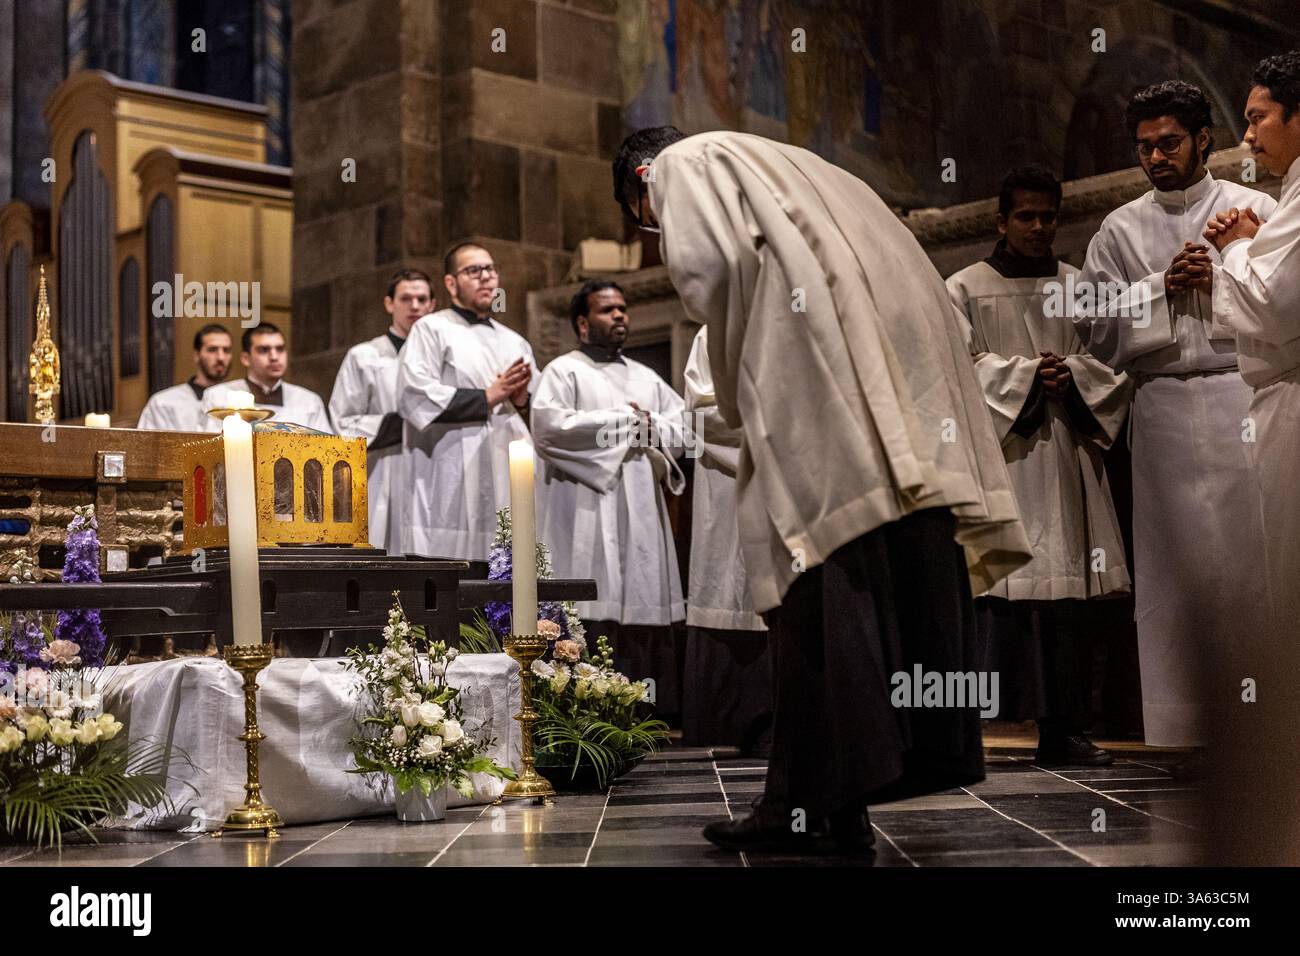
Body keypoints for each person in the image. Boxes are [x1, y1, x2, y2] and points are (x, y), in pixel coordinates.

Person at [613, 126, 1031, 855]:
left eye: (644, 215)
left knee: (819, 603)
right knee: (858, 596)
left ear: (644, 179)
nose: (654, 230)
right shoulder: (808, 167)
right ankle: (814, 803)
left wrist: (745, 388)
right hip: (891, 399)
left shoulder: (685, 162)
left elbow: (708, 272)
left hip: (822, 406)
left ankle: (816, 805)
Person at [1072, 80, 1277, 751]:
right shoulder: (1118, 229)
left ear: (1204, 141)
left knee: (1255, 566)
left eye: (1169, 143)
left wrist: (1216, 277)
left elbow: (1280, 299)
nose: (1156, 157)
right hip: (1159, 404)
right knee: (1171, 576)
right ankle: (1181, 730)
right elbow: (1095, 331)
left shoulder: (1254, 207)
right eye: (1145, 148)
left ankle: (1265, 728)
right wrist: (1159, 286)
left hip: (1240, 393)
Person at [948, 166, 1133, 767]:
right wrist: (1027, 377)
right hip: (1005, 458)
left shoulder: (1079, 284)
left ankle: (1064, 730)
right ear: (1000, 221)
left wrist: (1071, 375)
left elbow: (1112, 361)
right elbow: (954, 369)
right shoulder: (964, 288)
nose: (1038, 226)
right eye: (1024, 216)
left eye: (1048, 216)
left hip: (1066, 456)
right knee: (1000, 596)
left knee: (1068, 603)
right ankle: (970, 733)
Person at [532, 280, 689, 719]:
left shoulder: (646, 377)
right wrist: (627, 422)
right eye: (607, 310)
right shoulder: (563, 371)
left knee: (639, 590)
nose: (620, 316)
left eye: (622, 309)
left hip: (639, 505)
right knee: (591, 597)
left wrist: (648, 426)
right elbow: (549, 429)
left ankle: (646, 715)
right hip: (582, 505)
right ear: (583, 323)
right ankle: (585, 714)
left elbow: (682, 431)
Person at [395, 242, 538, 560]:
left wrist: (522, 399)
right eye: (474, 270)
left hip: (503, 476)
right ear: (450, 283)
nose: (486, 277)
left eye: (491, 269)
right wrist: (486, 397)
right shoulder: (432, 328)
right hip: (448, 480)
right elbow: (414, 393)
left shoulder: (515, 342)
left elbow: (539, 413)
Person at [680, 324, 772, 755]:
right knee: (733, 590)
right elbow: (702, 412)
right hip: (735, 483)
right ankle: (729, 729)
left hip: (805, 487)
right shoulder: (716, 328)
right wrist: (780, 428)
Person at [329, 268, 433, 550]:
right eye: (406, 298)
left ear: (432, 306)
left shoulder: (440, 361)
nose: (415, 306)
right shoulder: (364, 356)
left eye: (422, 299)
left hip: (432, 469)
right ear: (389, 304)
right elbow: (343, 421)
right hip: (385, 469)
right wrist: (401, 425)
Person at [201, 322, 332, 432]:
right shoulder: (217, 397)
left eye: (280, 349)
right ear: (246, 358)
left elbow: (328, 449)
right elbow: (205, 449)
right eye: (264, 350)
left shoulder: (309, 401)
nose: (274, 357)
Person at [136, 324, 232, 431]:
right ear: (196, 355)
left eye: (226, 350)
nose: (221, 357)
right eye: (212, 349)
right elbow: (147, 444)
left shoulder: (239, 404)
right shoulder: (162, 403)